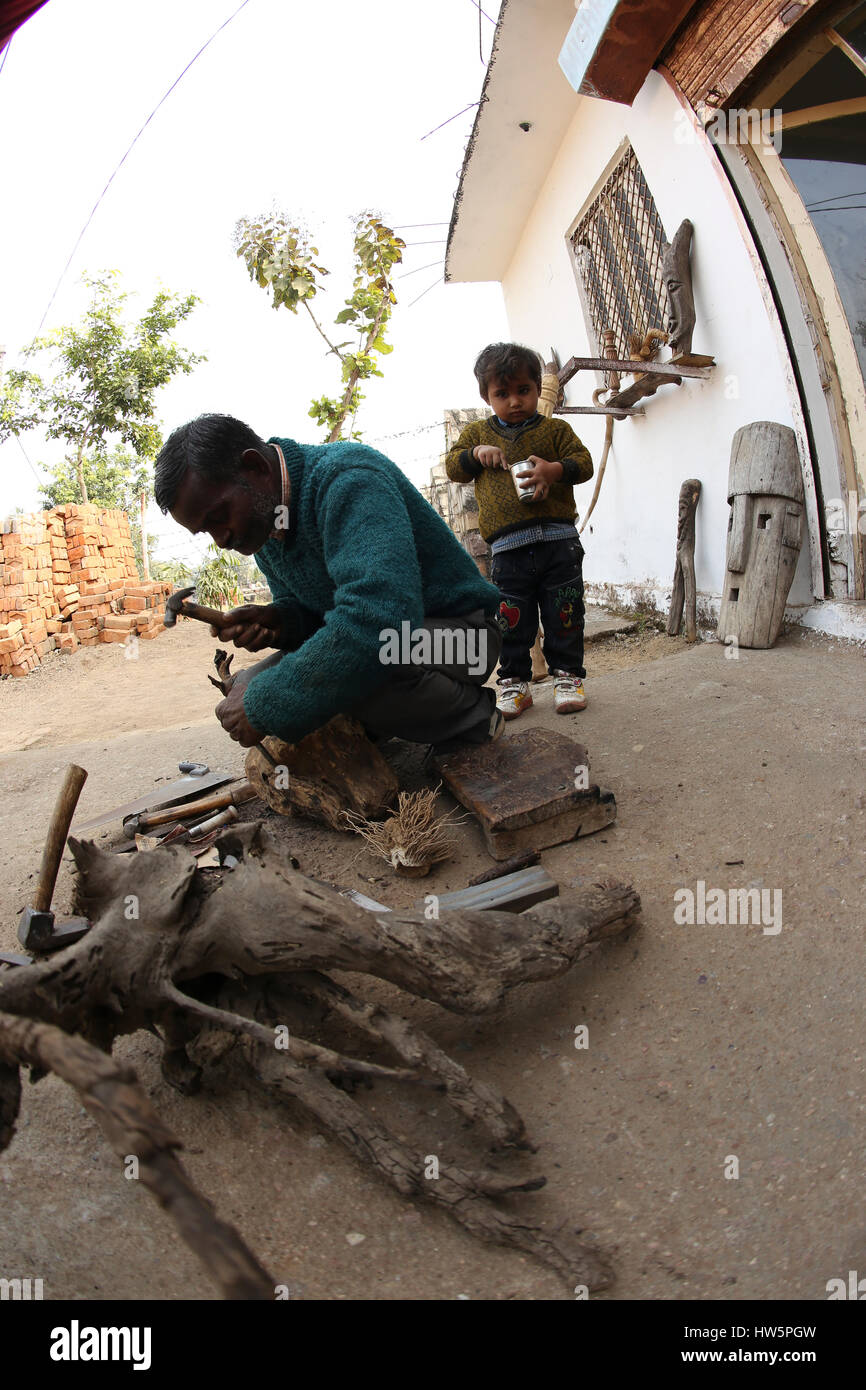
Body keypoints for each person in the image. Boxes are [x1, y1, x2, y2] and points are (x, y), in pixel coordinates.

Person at [153, 414, 505, 753]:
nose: (221, 538)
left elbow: (382, 620)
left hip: (467, 640)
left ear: (256, 468)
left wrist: (265, 704)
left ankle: (473, 718)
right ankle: (386, 723)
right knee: (251, 682)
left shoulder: (347, 479)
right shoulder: (267, 524)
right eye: (206, 530)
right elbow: (313, 616)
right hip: (409, 639)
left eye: (218, 517)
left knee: (356, 662)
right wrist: (280, 621)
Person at [445, 342, 593, 718]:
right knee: (512, 619)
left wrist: (552, 471)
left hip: (560, 544)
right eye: (502, 394)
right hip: (509, 551)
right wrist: (476, 453)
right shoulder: (478, 433)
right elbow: (453, 468)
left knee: (565, 613)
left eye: (523, 391)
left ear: (536, 390)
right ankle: (515, 684)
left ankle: (567, 677)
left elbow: (584, 463)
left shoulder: (555, 430)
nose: (514, 401)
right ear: (486, 396)